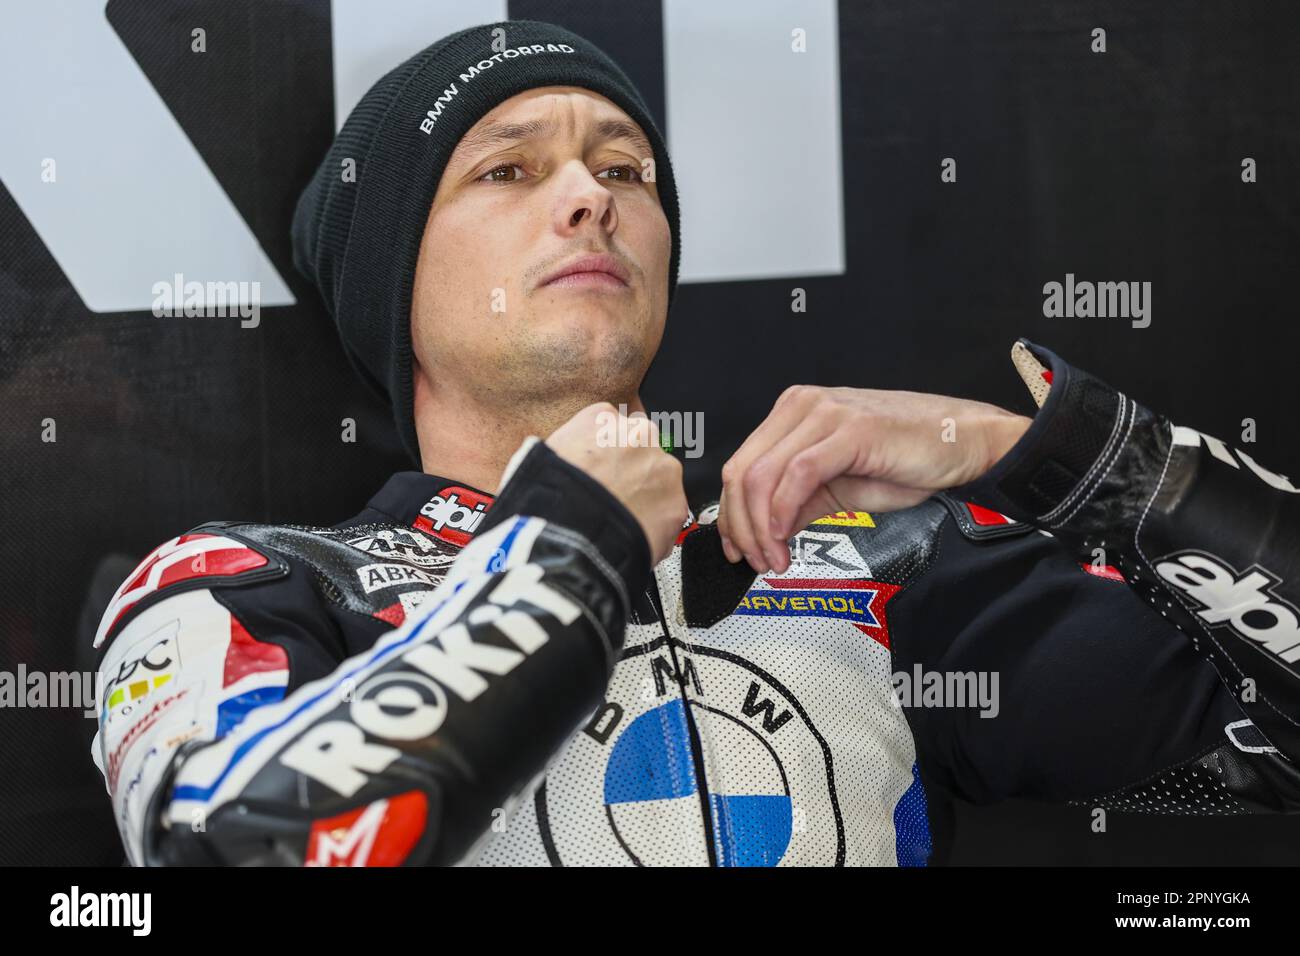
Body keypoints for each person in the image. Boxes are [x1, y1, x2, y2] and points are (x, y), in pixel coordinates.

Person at [89, 19, 1300, 867]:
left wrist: (1045, 458)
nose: (590, 196)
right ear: (389, 278)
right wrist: (573, 548)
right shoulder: (252, 579)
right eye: (506, 168)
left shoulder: (862, 573)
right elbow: (238, 844)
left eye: (624, 168)